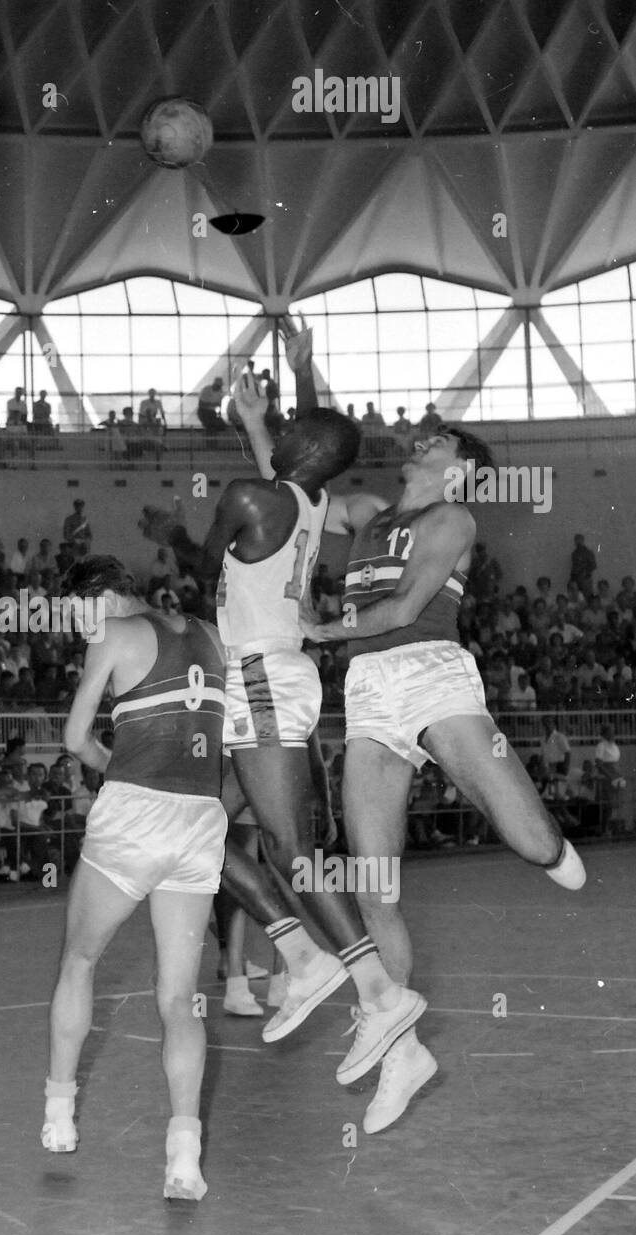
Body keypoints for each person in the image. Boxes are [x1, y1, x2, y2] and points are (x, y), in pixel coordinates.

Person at [142, 324, 425, 1128]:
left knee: (288, 850)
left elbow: (201, 570)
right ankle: (310, 963)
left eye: (287, 425)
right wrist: (295, 386)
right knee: (195, 827)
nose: (276, 427)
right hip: (270, 676)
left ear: (295, 446)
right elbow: (309, 445)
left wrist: (167, 533)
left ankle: (370, 985)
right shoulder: (305, 497)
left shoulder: (251, 494)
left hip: (259, 675)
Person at [302, 424, 585, 1131]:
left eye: (434, 440)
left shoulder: (452, 517)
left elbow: (398, 611)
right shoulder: (368, 511)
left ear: (459, 470)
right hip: (368, 692)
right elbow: (293, 488)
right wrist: (255, 422)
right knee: (373, 886)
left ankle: (548, 846)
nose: (417, 441)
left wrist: (316, 629)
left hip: (431, 674)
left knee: (528, 843)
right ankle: (402, 1053)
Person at [45, 554, 226, 1201]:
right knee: (178, 999)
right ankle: (183, 1158)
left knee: (80, 958)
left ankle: (59, 1116)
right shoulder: (210, 632)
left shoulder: (112, 634)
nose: (77, 626)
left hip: (136, 812)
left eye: (76, 612)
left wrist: (106, 762)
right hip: (201, 817)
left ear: (99, 597)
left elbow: (73, 738)